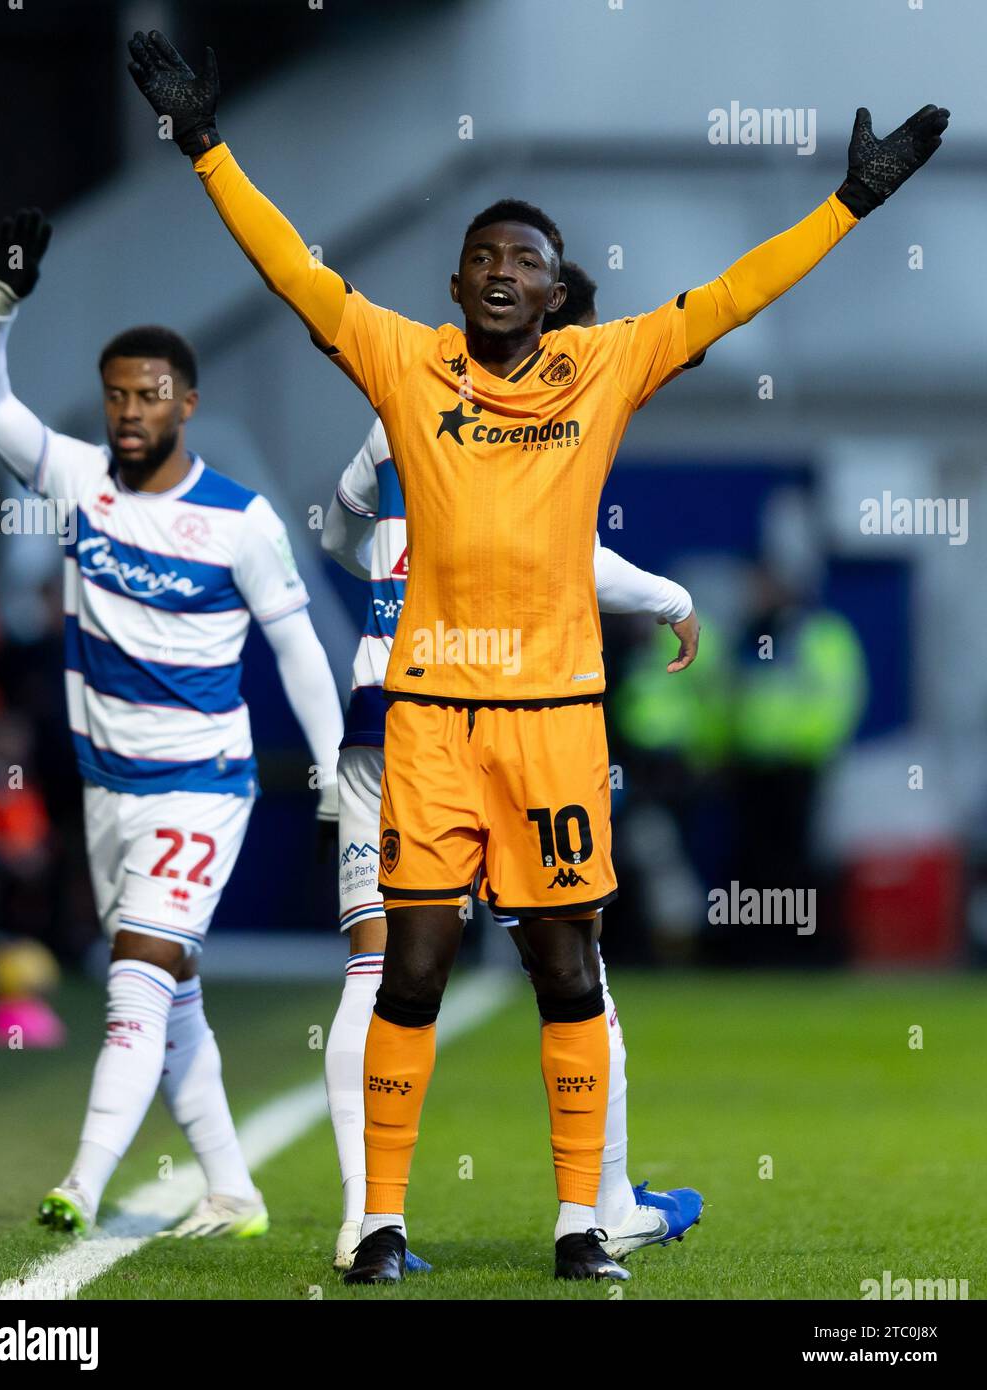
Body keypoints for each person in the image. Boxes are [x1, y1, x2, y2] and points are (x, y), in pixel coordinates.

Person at [126, 30, 947, 1280]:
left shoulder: (598, 370)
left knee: (567, 968)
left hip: (557, 721)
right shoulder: (408, 364)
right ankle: (378, 1224)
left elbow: (731, 294)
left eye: (527, 260)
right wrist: (204, 149)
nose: (503, 271)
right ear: (456, 283)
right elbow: (294, 271)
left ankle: (580, 1226)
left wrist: (847, 202)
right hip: (430, 724)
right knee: (411, 964)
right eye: (483, 256)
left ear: (557, 290)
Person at [0, 208, 345, 1238]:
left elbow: (300, 651)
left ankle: (78, 1185)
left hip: (199, 788)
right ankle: (232, 1188)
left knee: (134, 978)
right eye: (117, 397)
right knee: (172, 1002)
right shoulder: (78, 478)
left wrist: (335, 776)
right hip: (106, 787)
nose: (129, 412)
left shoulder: (240, 521)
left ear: (188, 403)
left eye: (149, 396)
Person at [321, 261, 702, 1271]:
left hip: (392, 703)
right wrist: (665, 595)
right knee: (534, 965)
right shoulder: (499, 400)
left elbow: (339, 519)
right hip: (438, 712)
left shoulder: (398, 404)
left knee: (398, 965)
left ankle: (378, 1218)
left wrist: (379, 592)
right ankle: (579, 1207)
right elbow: (553, 552)